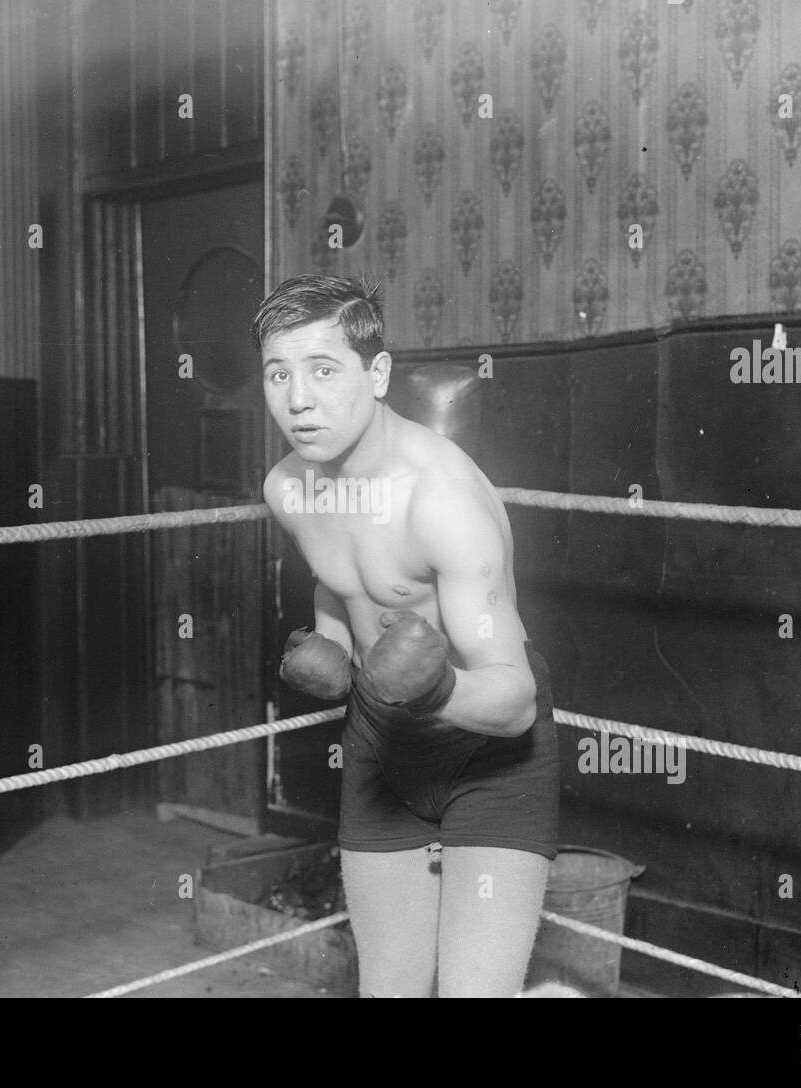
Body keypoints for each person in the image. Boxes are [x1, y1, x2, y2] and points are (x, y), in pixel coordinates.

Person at [254, 274, 559, 998]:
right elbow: (342, 577)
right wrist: (330, 641)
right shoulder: (287, 488)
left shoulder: (441, 501)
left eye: (324, 370)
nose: (298, 399)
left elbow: (513, 698)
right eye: (278, 373)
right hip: (381, 747)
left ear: (378, 372)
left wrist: (434, 686)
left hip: (491, 761)